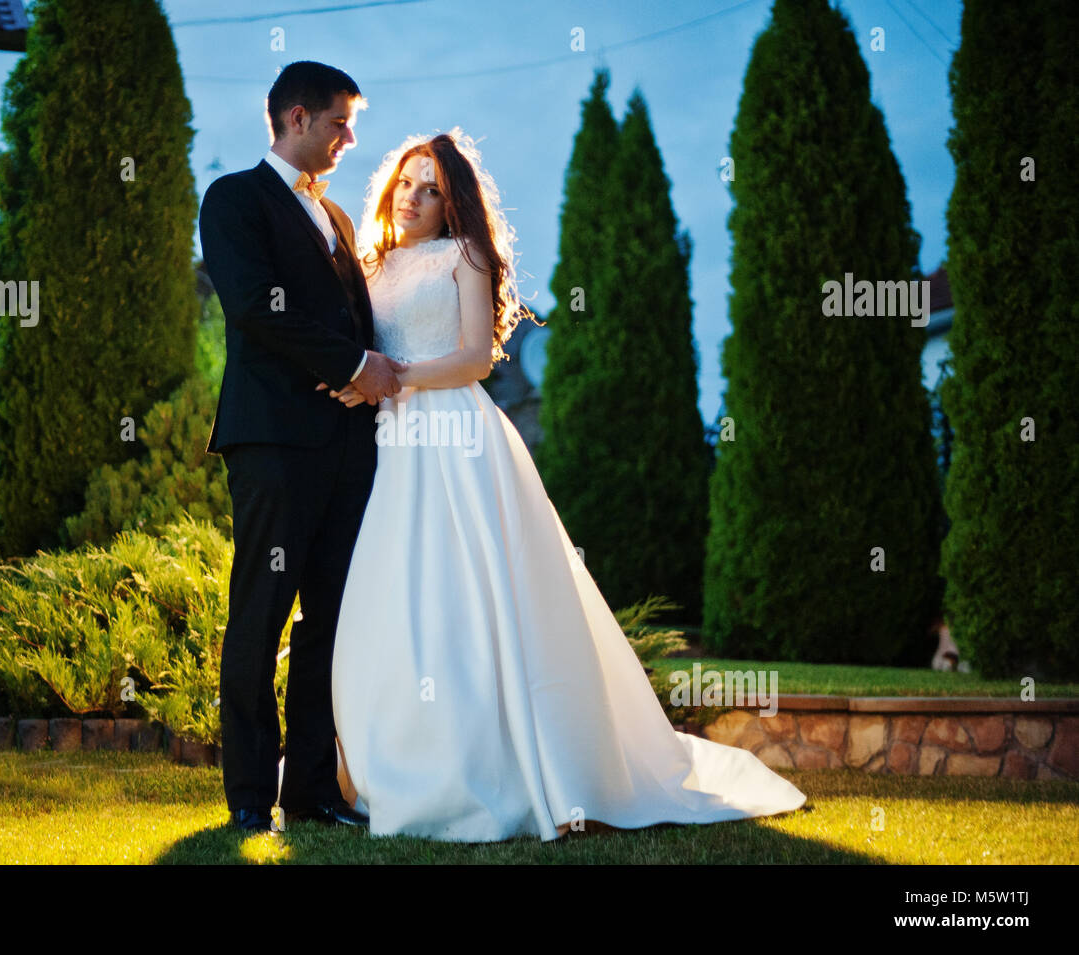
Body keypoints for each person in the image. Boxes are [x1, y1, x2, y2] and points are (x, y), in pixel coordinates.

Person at [321, 130, 809, 841]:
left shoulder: (466, 256)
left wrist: (392, 376)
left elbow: (473, 359)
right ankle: (392, 765)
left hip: (457, 439)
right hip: (393, 448)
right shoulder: (376, 266)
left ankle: (507, 767)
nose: (415, 197)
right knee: (395, 599)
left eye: (432, 187)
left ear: (453, 199)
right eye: (406, 183)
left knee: (473, 600)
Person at [198, 61, 405, 833]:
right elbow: (252, 308)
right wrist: (353, 366)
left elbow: (357, 323)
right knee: (261, 612)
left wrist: (368, 378)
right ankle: (250, 793)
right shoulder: (234, 200)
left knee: (331, 619)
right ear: (294, 118)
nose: (351, 137)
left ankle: (311, 791)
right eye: (339, 122)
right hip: (274, 445)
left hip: (349, 448)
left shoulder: (340, 221)